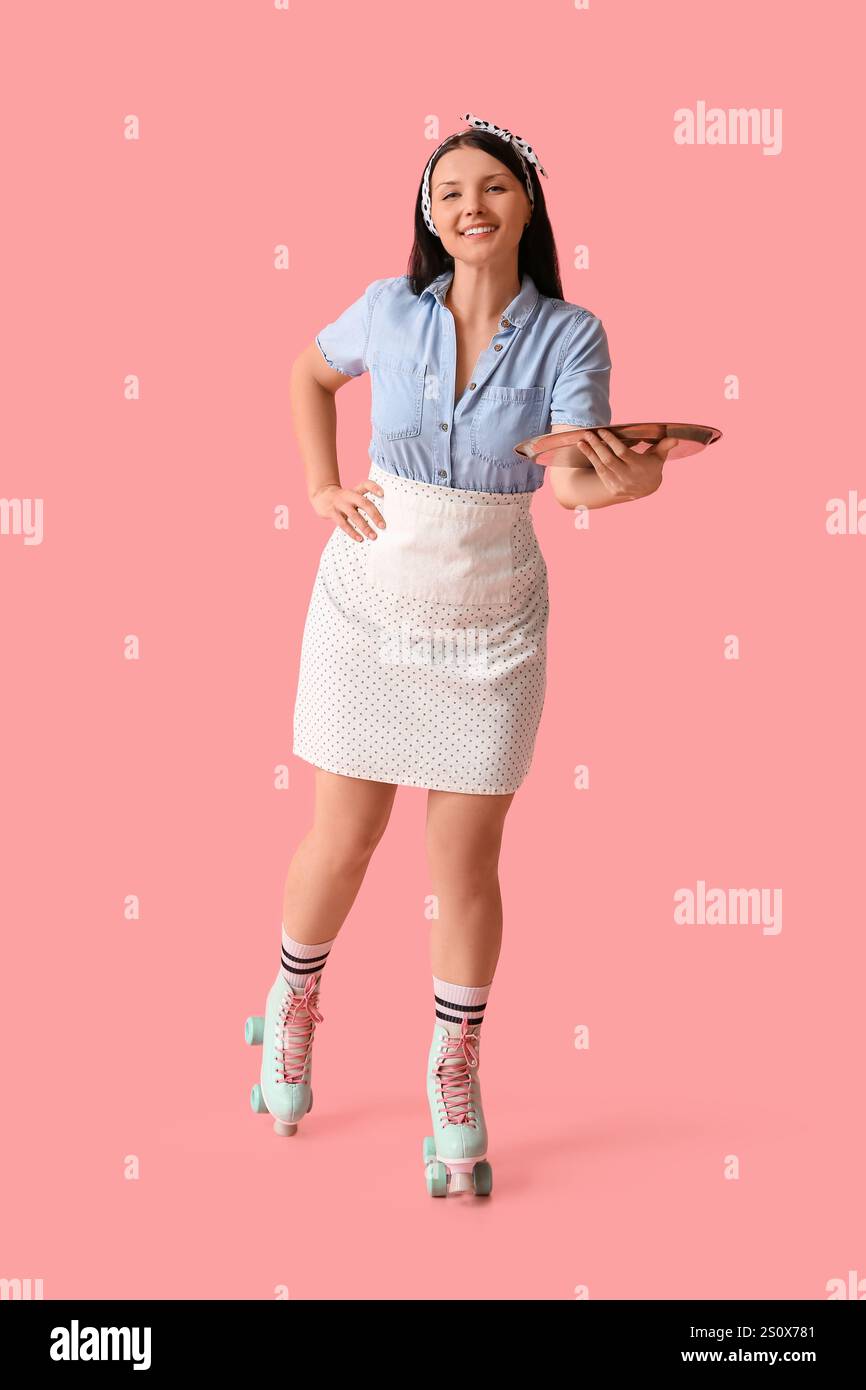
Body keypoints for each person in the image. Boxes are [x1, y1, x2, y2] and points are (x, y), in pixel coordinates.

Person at [245, 113, 675, 1195]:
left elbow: (570, 475)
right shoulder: (387, 311)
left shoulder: (570, 336)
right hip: (367, 603)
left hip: (491, 618)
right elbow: (305, 372)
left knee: (464, 864)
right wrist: (319, 485)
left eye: (490, 187)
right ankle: (291, 1007)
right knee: (339, 841)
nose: (468, 207)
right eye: (446, 194)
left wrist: (631, 478)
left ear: (525, 203)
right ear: (428, 219)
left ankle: (454, 1068)